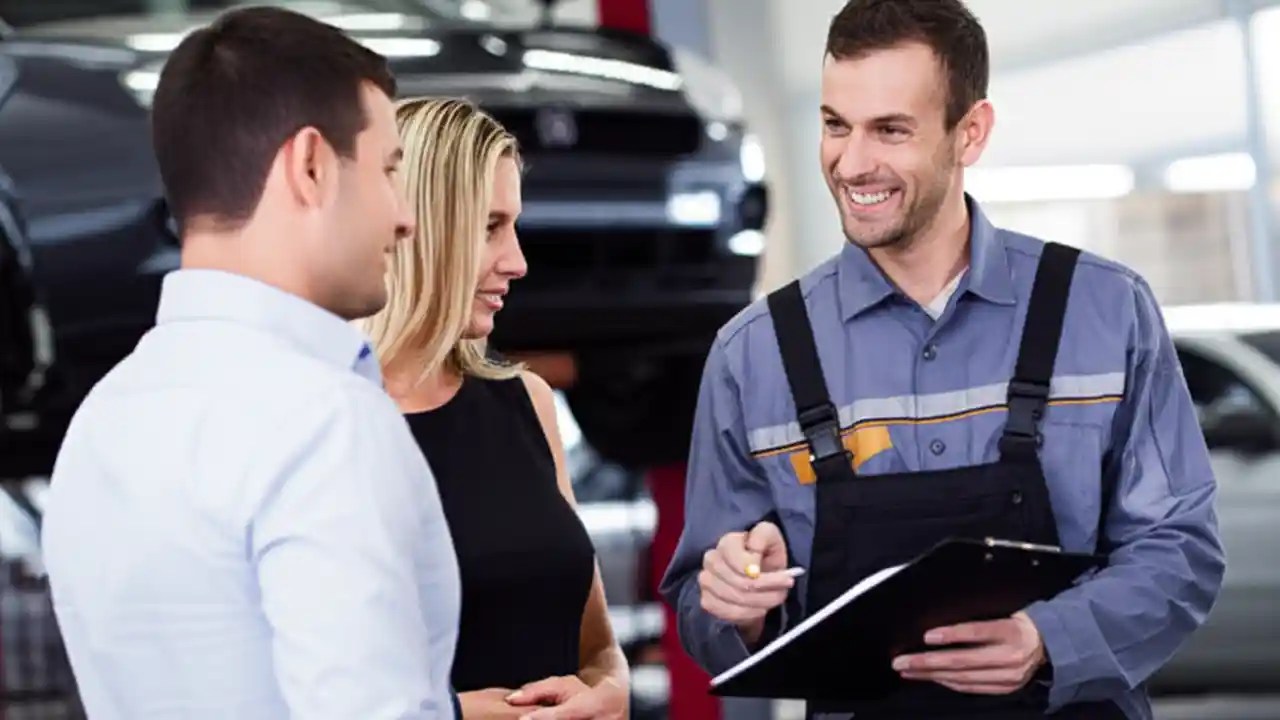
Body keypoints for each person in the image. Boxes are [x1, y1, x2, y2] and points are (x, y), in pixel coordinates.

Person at [659, 1, 1225, 719]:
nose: (852, 162)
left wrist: (1048, 637)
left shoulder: (1105, 311)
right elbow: (702, 604)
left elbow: (1179, 548)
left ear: (972, 132)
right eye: (835, 125)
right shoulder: (755, 355)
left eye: (890, 130)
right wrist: (736, 604)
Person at [40, 8, 462, 719]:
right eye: (389, 170)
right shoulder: (323, 418)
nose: (405, 217)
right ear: (310, 166)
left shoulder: (100, 422)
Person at [356, 97, 629, 720]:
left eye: (514, 227)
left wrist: (610, 691)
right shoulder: (332, 421)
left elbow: (598, 646)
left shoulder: (526, 401)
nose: (518, 261)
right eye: (489, 227)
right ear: (415, 225)